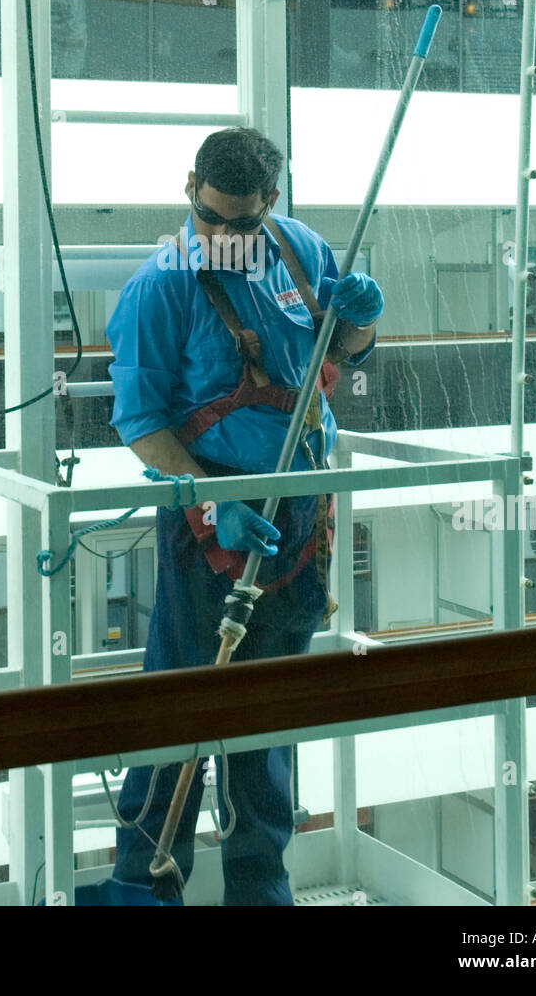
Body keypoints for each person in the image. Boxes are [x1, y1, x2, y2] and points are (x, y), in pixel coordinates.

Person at [105, 127, 383, 906]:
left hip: (299, 515)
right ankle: (146, 883)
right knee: (180, 711)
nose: (224, 238)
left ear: (273, 201)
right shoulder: (161, 288)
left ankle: (261, 892)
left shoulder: (301, 251)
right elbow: (143, 425)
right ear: (190, 186)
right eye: (210, 217)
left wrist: (361, 318)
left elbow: (347, 345)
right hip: (210, 522)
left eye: (243, 223)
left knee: (267, 724)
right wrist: (212, 502)